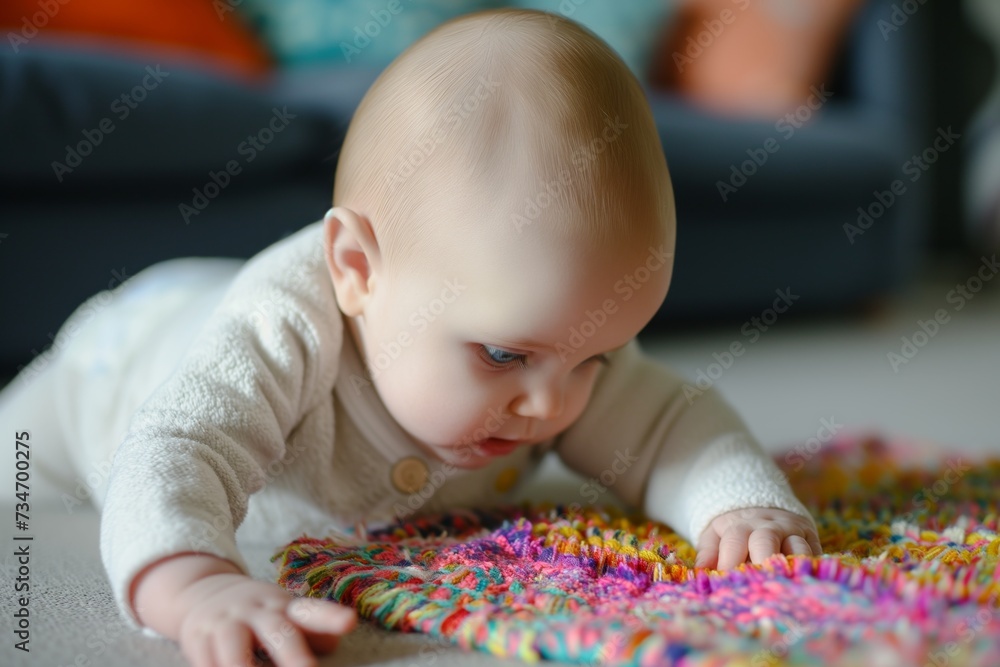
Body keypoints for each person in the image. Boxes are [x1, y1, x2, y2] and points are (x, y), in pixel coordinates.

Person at [0, 9, 820, 667]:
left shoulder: (551, 349)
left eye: (594, 357)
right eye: (502, 355)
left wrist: (740, 502)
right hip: (111, 367)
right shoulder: (281, 332)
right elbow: (175, 448)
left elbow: (670, 423)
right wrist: (194, 582)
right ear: (358, 269)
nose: (551, 404)